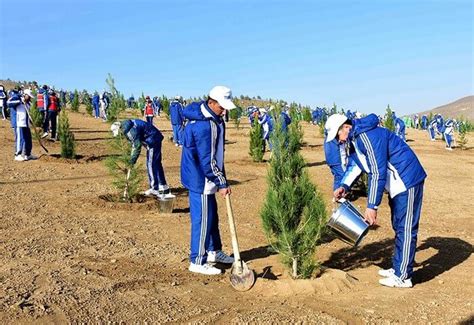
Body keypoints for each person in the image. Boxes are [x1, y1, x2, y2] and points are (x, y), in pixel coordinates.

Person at [326, 113, 426, 288]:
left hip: (407, 180)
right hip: (396, 183)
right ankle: (398, 267)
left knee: (406, 227)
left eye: (337, 136)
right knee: (399, 225)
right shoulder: (354, 140)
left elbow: (377, 172)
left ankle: (403, 276)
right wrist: (344, 186)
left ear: (346, 127)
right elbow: (355, 165)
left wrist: (372, 206)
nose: (338, 141)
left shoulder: (367, 137)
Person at [180, 85, 236, 275]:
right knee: (202, 219)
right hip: (200, 178)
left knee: (211, 216)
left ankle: (214, 251)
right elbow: (207, 160)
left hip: (207, 175)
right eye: (222, 106)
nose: (225, 110)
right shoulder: (204, 126)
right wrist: (221, 182)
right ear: (211, 102)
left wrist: (222, 178)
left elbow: (218, 153)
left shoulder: (215, 119)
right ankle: (197, 260)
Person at [110, 119, 170, 197]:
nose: (120, 135)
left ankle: (154, 189)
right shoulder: (128, 125)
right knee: (156, 163)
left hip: (152, 140)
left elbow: (137, 146)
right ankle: (163, 186)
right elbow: (134, 144)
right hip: (154, 137)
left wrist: (132, 161)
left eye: (119, 133)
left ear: (120, 128)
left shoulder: (130, 131)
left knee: (151, 164)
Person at [12, 90, 37, 161]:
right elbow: (9, 103)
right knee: (20, 139)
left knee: (28, 139)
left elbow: (28, 114)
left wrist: (31, 121)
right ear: (25, 95)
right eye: (29, 97)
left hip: (26, 124)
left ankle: (27, 154)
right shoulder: (17, 98)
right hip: (19, 123)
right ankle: (17, 154)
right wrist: (20, 101)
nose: (30, 98)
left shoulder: (28, 104)